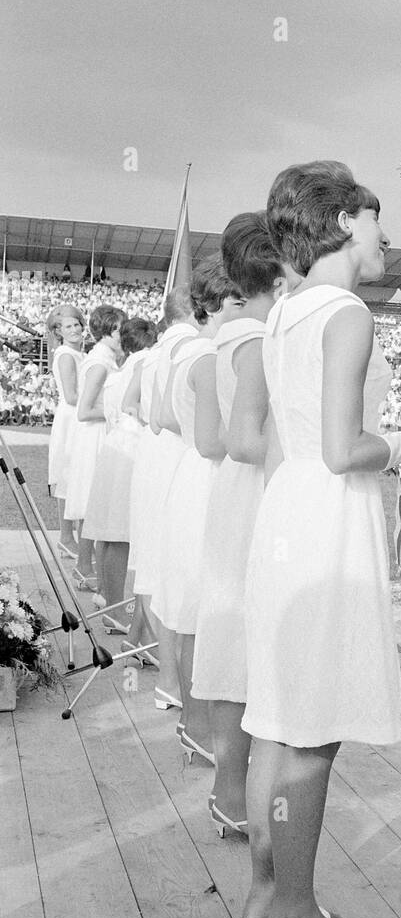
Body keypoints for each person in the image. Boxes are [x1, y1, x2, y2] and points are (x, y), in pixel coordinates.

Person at [241, 164, 401, 918]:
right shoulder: (347, 313)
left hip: (285, 518)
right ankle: (294, 909)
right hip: (324, 521)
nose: (386, 233)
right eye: (373, 218)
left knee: (278, 724)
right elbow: (341, 449)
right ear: (338, 222)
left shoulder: (286, 312)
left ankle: (268, 891)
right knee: (313, 734)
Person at [191, 213, 300, 834]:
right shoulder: (264, 335)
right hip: (263, 490)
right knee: (259, 635)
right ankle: (252, 789)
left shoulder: (222, 341)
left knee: (234, 631)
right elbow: (243, 440)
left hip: (233, 497)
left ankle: (230, 788)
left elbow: (215, 440)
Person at [150, 256, 245, 763]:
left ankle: (195, 721)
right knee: (203, 611)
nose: (243, 310)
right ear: (211, 306)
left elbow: (163, 416)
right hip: (211, 480)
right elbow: (214, 443)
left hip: (187, 478)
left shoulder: (189, 355)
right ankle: (199, 723)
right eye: (236, 302)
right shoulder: (211, 357)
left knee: (192, 607)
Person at [128, 290, 199, 709]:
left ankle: (166, 674)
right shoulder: (189, 348)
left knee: (157, 565)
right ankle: (172, 678)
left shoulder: (154, 352)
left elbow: (140, 407)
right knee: (174, 568)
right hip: (175, 452)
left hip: (154, 456)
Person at [82, 317, 157, 632]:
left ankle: (108, 598)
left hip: (115, 448)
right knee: (122, 535)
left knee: (110, 533)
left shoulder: (121, 371)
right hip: (132, 449)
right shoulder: (147, 363)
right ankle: (115, 609)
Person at [63, 304, 125, 592]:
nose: (123, 335)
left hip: (101, 433)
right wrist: (118, 410)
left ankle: (87, 565)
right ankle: (84, 565)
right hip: (95, 435)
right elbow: (84, 410)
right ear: (107, 332)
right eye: (118, 330)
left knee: (95, 501)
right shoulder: (100, 362)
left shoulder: (107, 358)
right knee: (92, 501)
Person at [45, 304, 86, 558]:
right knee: (68, 475)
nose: (74, 330)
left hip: (78, 417)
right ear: (59, 331)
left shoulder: (78, 353)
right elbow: (71, 396)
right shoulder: (65, 355)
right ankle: (65, 537)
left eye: (77, 324)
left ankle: (78, 538)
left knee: (78, 475)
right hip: (72, 419)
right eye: (68, 327)